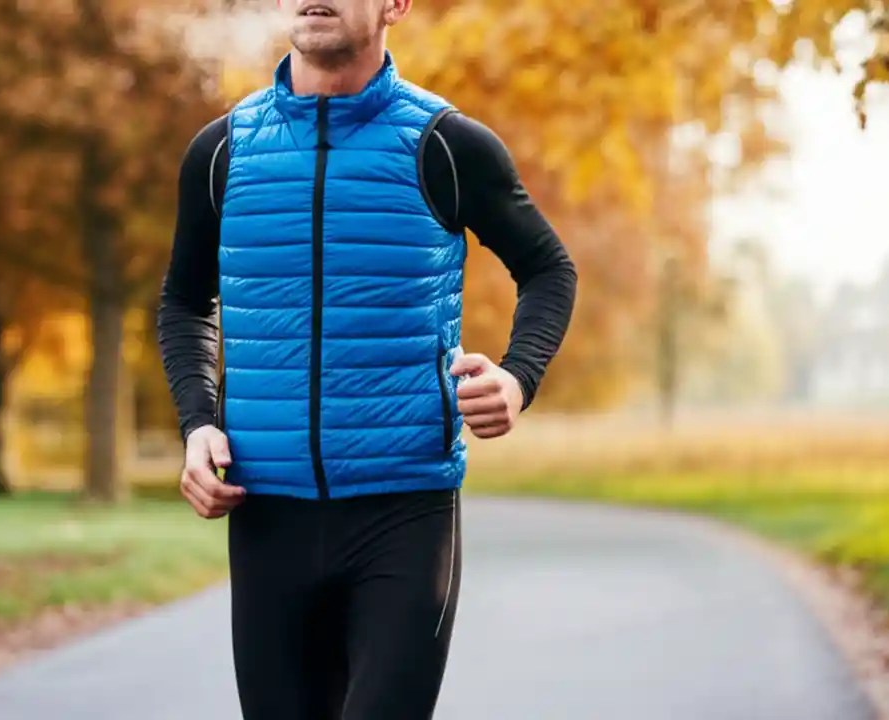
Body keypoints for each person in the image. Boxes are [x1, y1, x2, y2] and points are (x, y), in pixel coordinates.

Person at [156, 1, 577, 717]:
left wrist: (517, 375)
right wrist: (198, 424)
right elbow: (184, 303)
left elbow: (547, 268)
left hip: (403, 518)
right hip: (268, 519)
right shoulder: (222, 152)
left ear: (396, 4)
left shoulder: (444, 146)